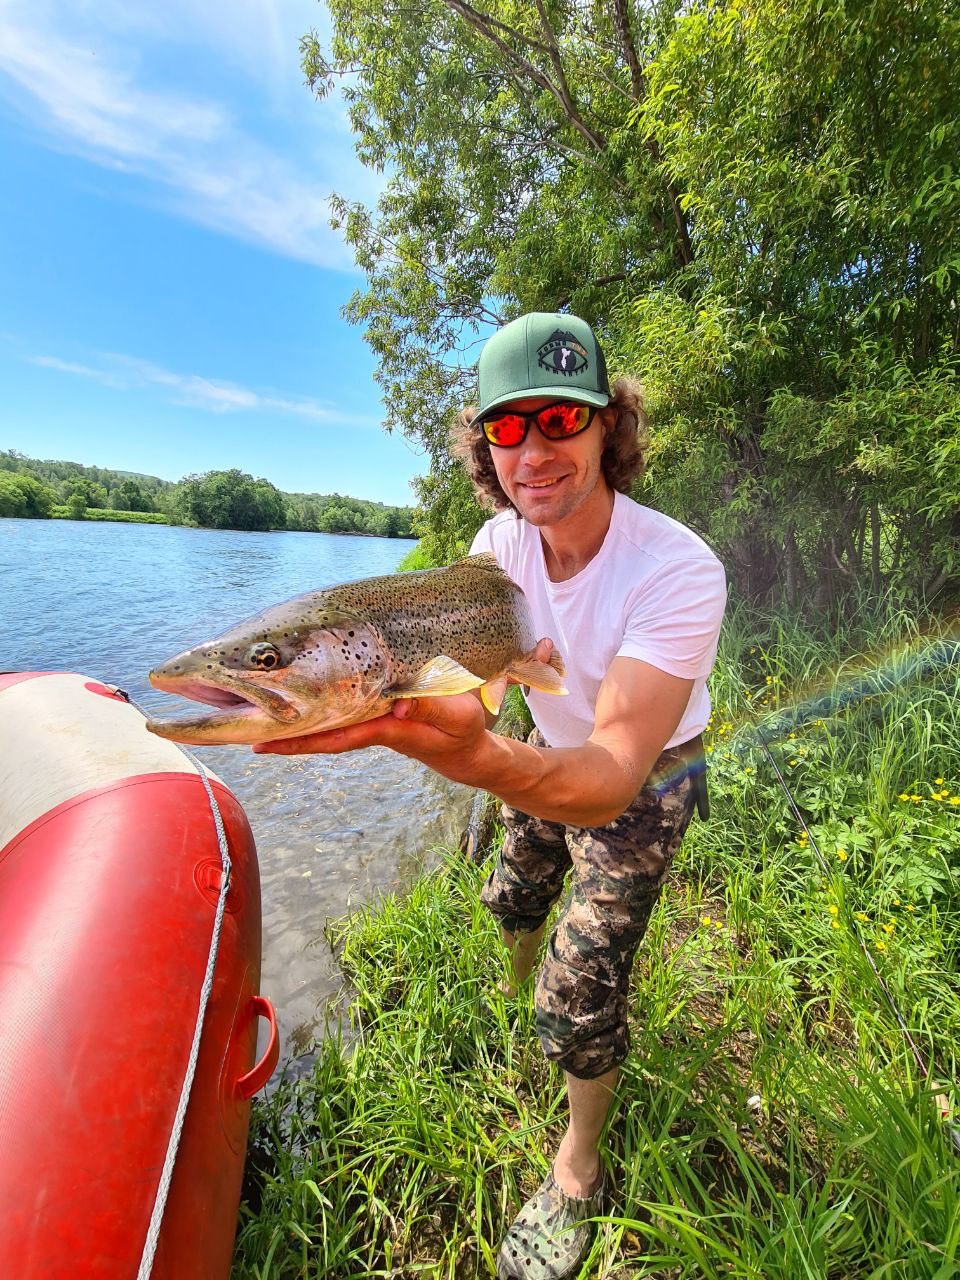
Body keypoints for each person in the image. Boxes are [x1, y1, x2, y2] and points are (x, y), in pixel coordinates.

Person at [256, 312, 727, 1279]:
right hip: (546, 747)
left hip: (643, 779)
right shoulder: (497, 547)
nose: (535, 450)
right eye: (508, 429)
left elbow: (607, 774)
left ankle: (578, 1168)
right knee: (509, 895)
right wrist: (477, 695)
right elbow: (482, 674)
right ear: (486, 447)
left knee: (582, 985)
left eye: (560, 418)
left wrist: (473, 759)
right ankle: (515, 993)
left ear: (608, 427)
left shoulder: (677, 569)